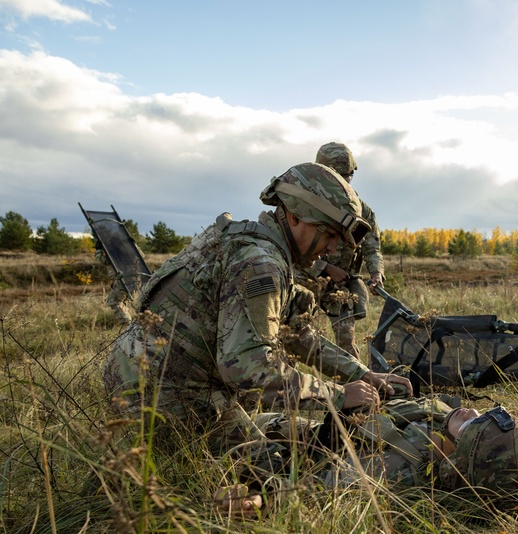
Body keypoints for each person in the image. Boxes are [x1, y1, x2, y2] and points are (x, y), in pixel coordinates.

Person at [103, 162, 411, 484]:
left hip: (143, 377)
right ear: (294, 217)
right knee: (282, 472)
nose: (333, 249)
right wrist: (337, 397)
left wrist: (361, 373)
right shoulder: (260, 264)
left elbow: (297, 335)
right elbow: (249, 371)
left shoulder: (258, 245)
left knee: (292, 433)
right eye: (330, 234)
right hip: (164, 398)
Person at [219, 398, 518, 517]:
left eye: (472, 423)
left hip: (301, 458)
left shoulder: (397, 474)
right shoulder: (443, 426)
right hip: (331, 433)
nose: (471, 410)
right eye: (483, 413)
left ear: (457, 456)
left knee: (222, 416)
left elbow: (316, 494)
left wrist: (264, 502)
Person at [302, 142, 385, 360]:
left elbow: (371, 246)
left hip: (342, 285)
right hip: (305, 280)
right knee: (294, 336)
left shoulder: (361, 209)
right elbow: (293, 250)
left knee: (346, 342)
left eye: (348, 175)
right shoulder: (304, 205)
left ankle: (357, 386)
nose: (344, 181)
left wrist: (376, 273)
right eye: (338, 175)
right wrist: (325, 268)